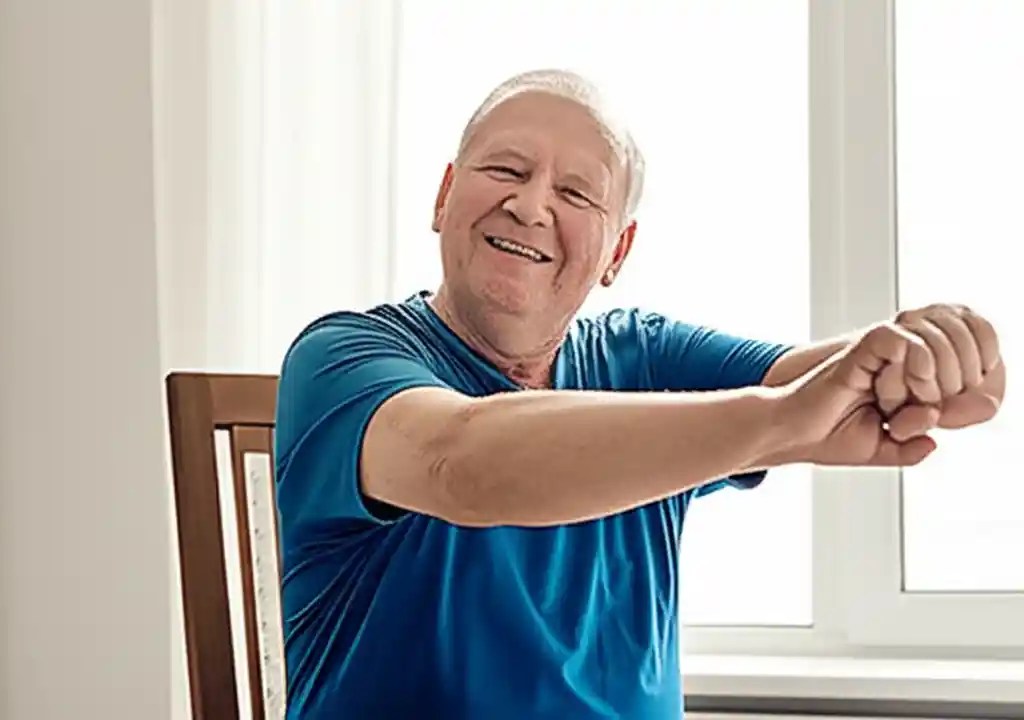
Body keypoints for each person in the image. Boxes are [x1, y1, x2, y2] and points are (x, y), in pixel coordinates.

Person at [272, 69, 1007, 719]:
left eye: (574, 193)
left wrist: (930, 358)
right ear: (443, 197)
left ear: (616, 253)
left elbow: (817, 380)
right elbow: (458, 462)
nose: (529, 207)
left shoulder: (641, 355)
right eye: (504, 169)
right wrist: (777, 420)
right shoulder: (342, 357)